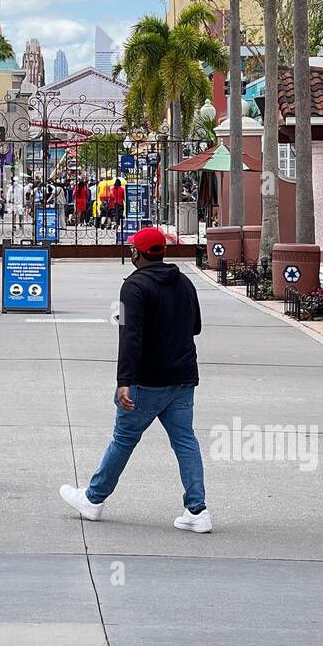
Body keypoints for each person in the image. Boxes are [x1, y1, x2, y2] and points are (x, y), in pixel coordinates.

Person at [59, 226, 210, 532]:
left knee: (123, 439)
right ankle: (197, 510)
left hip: (147, 380)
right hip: (182, 378)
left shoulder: (134, 287)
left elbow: (131, 336)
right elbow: (195, 326)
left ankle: (93, 499)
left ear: (137, 253)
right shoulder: (184, 282)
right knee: (185, 442)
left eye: (132, 249)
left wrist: (124, 380)